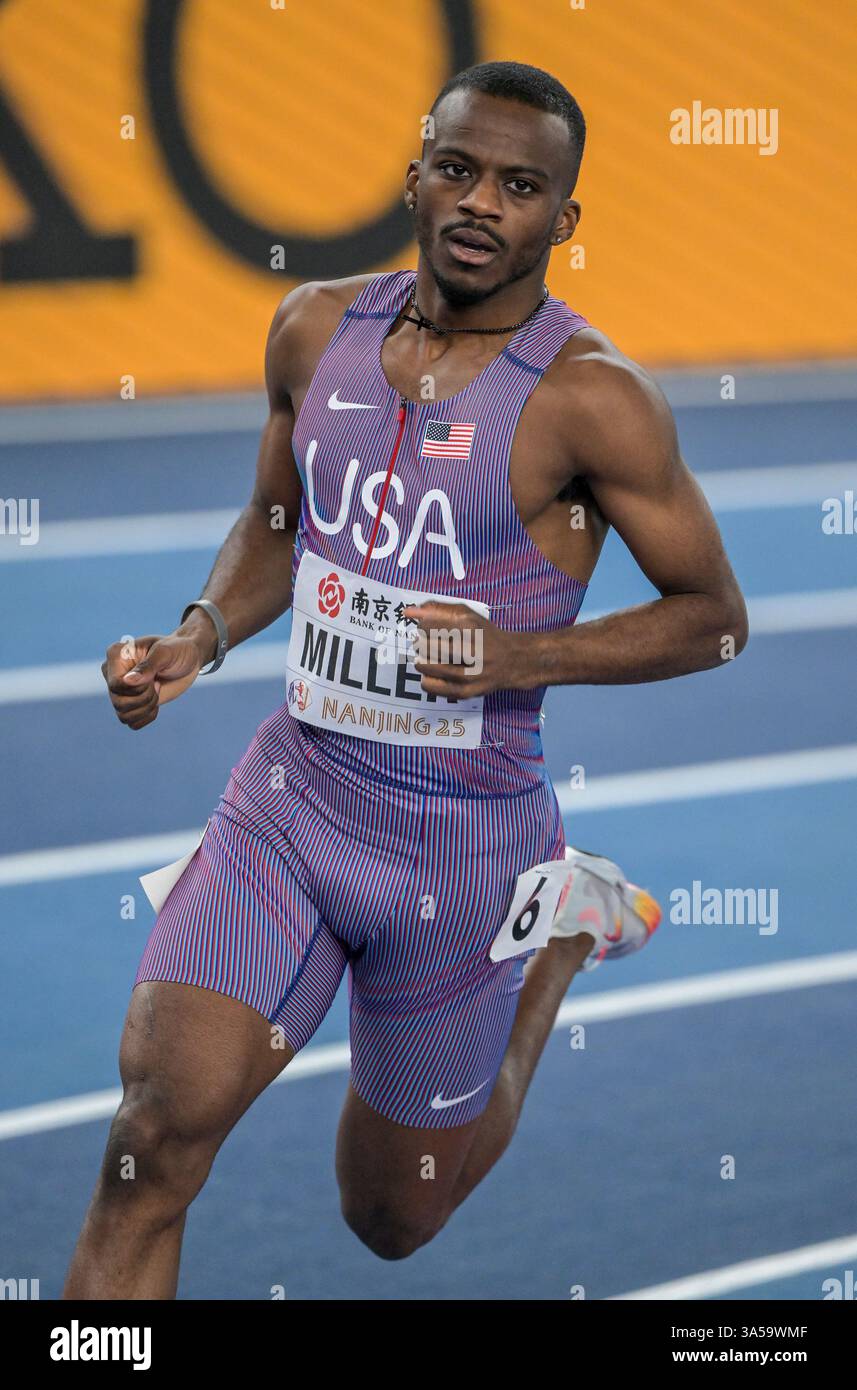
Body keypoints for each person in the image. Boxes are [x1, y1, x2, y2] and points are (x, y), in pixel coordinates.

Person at [64, 60, 747, 1298]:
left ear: (563, 219)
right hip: (291, 802)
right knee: (147, 1142)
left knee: (387, 1220)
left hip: (463, 846)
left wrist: (520, 655)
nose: (482, 202)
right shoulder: (313, 328)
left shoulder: (593, 400)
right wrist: (201, 633)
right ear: (415, 177)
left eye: (521, 185)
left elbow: (714, 619)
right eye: (458, 168)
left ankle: (556, 941)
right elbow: (277, 524)